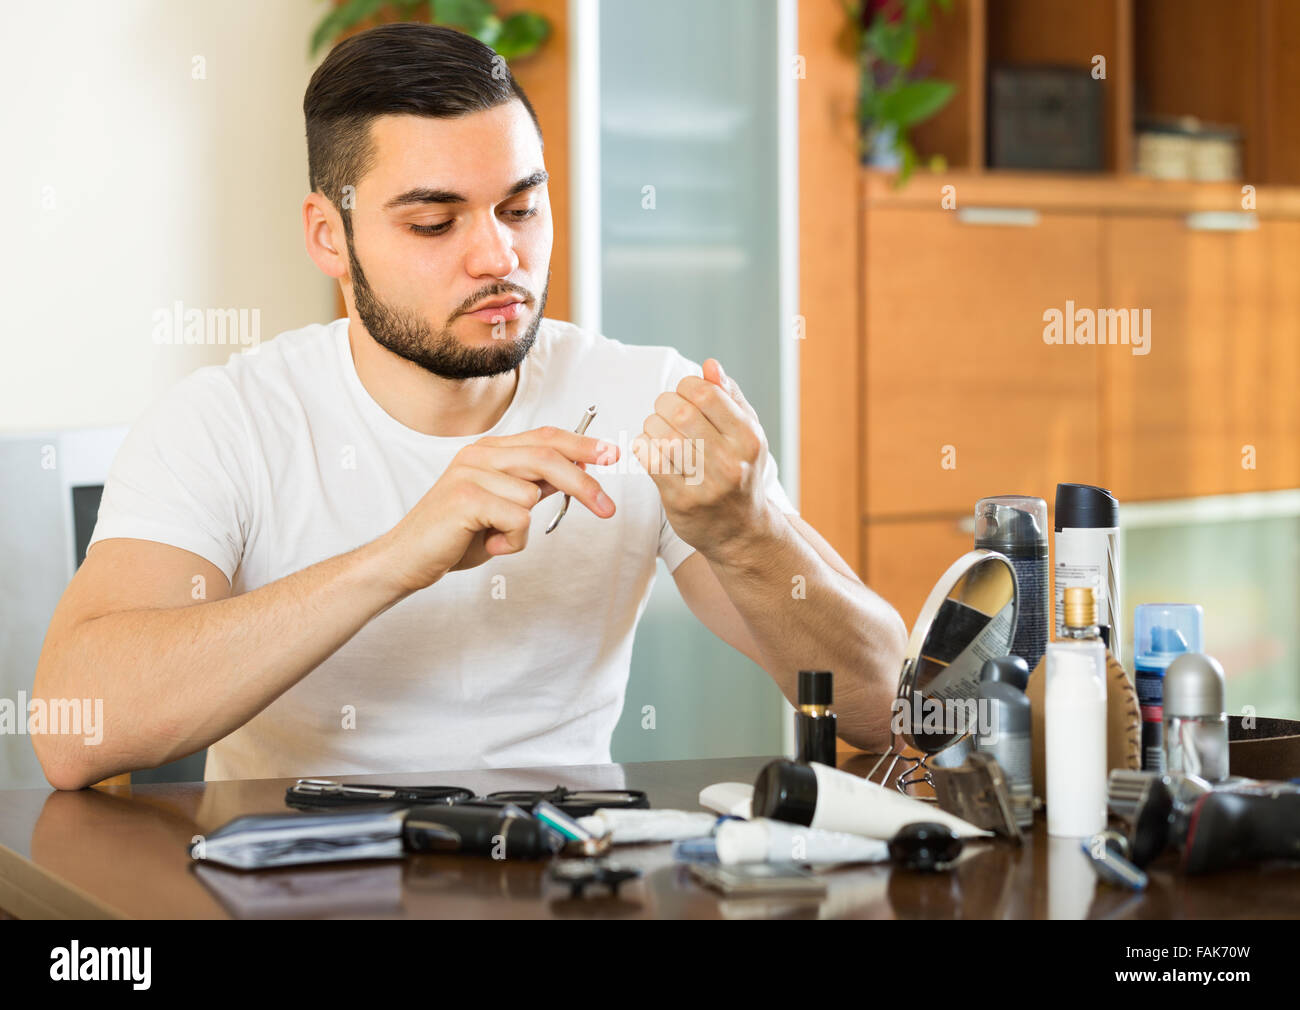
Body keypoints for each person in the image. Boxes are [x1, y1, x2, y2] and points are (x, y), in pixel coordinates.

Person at [33, 23, 906, 789]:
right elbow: (72, 732)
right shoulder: (227, 422)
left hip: (565, 879)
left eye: (521, 207)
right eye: (433, 223)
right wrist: (399, 557)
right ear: (328, 237)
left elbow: (888, 710)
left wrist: (750, 534)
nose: (498, 256)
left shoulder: (641, 399)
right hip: (301, 888)